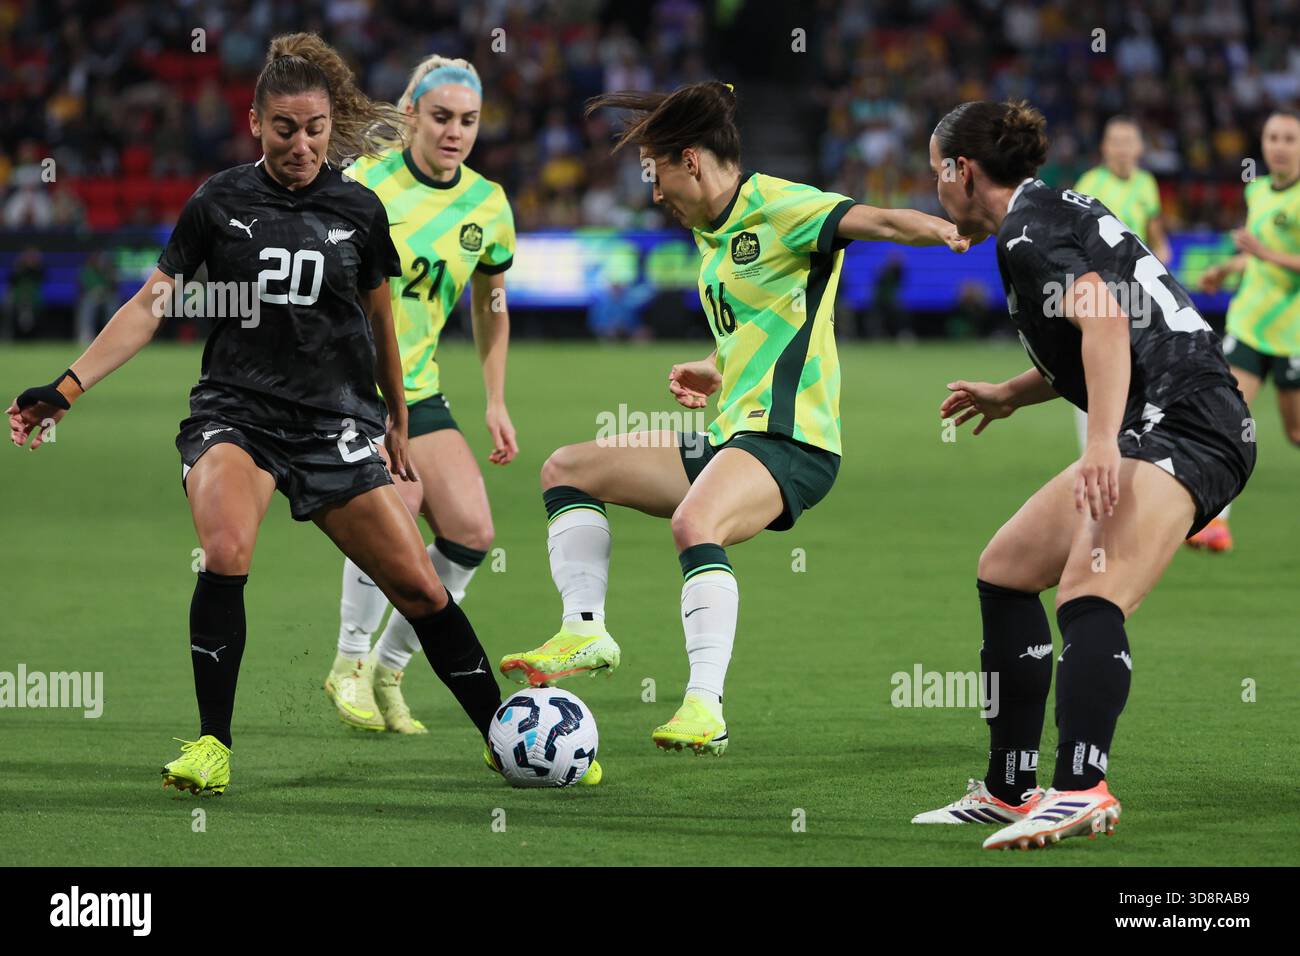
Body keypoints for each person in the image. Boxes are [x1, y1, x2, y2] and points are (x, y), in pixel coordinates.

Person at [6, 33, 509, 795]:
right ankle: (213, 744)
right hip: (234, 415)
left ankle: (508, 738)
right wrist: (66, 388)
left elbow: (382, 320)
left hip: (334, 421)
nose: (301, 144)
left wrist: (396, 418)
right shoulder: (219, 201)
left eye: (313, 129)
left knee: (421, 588)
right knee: (227, 550)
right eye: (285, 129)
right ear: (255, 123)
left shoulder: (358, 208)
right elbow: (151, 305)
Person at [496, 81, 969, 756]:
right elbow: (766, 324)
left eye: (657, 175)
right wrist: (715, 368)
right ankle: (585, 631)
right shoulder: (711, 236)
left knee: (696, 522)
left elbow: (883, 222)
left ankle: (704, 707)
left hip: (793, 442)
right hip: (732, 435)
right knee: (568, 469)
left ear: (691, 159)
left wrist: (952, 231)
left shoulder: (779, 204)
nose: (656, 194)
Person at [914, 100, 1254, 849]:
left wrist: (1101, 444)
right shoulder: (1052, 209)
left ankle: (1080, 787)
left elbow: (1101, 319)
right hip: (1172, 416)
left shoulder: (1024, 235)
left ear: (961, 170)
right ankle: (1010, 790)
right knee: (1005, 570)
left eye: (935, 168)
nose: (933, 185)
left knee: (1089, 589)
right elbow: (1112, 322)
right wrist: (1013, 391)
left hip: (1189, 425)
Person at [324, 54, 519, 737]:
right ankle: (346, 662)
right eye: (441, 117)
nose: (455, 131)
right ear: (411, 116)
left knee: (470, 533)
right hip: (355, 390)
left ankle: (388, 665)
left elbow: (492, 306)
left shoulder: (488, 205)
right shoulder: (365, 184)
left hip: (422, 392)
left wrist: (495, 400)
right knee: (397, 511)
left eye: (468, 120)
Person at [1194, 109, 1300, 552]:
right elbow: (1258, 256)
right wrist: (1227, 267)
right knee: (1231, 417)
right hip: (1249, 324)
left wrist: (1262, 253)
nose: (1278, 146)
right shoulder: (1257, 190)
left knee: (1295, 432)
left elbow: (1271, 254)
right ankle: (1216, 522)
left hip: (1292, 332)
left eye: (1289, 139)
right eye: (1273, 137)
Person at [1070, 116, 1171, 451]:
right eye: (1117, 141)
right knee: (1095, 372)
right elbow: (1074, 239)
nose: (1124, 149)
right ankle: (1093, 451)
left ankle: (1131, 453)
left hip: (1139, 298)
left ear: (1140, 148)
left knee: (1138, 378)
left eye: (1130, 141)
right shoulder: (1089, 183)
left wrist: (1161, 253)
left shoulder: (1146, 183)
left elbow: (1156, 233)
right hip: (1102, 296)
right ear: (1104, 148)